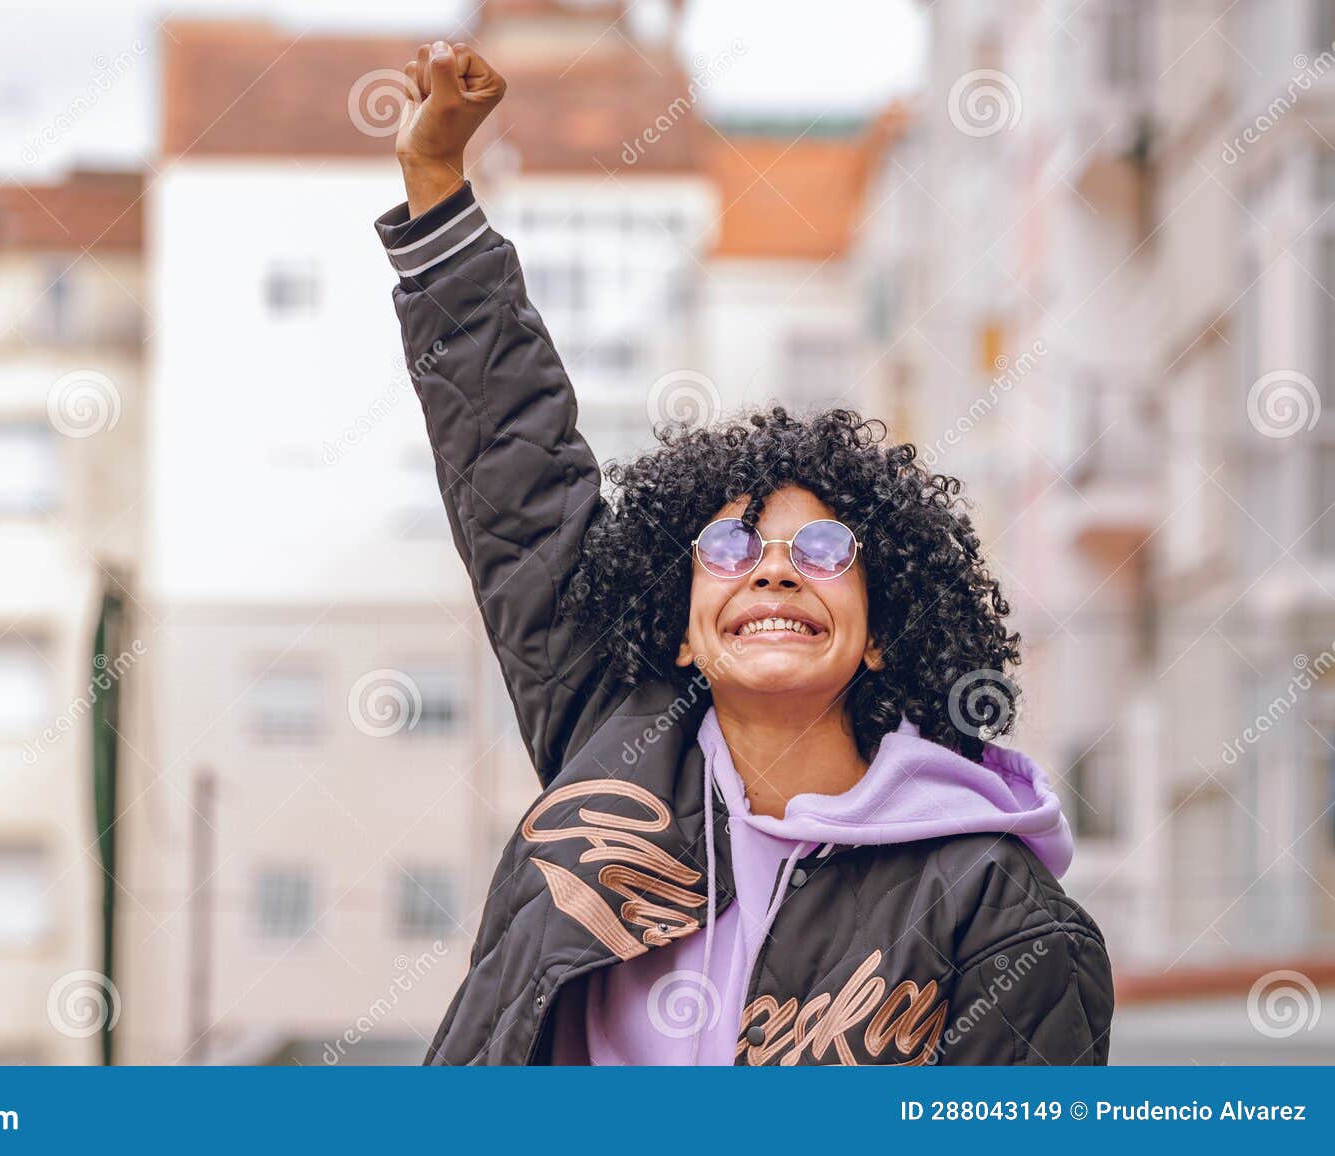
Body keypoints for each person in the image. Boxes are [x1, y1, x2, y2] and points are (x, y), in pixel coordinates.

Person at [374, 41, 1113, 1066]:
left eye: (821, 546)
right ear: (676, 634)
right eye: (727, 545)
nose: (772, 567)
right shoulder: (614, 746)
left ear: (883, 636)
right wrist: (437, 190)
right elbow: (517, 477)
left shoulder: (992, 908)